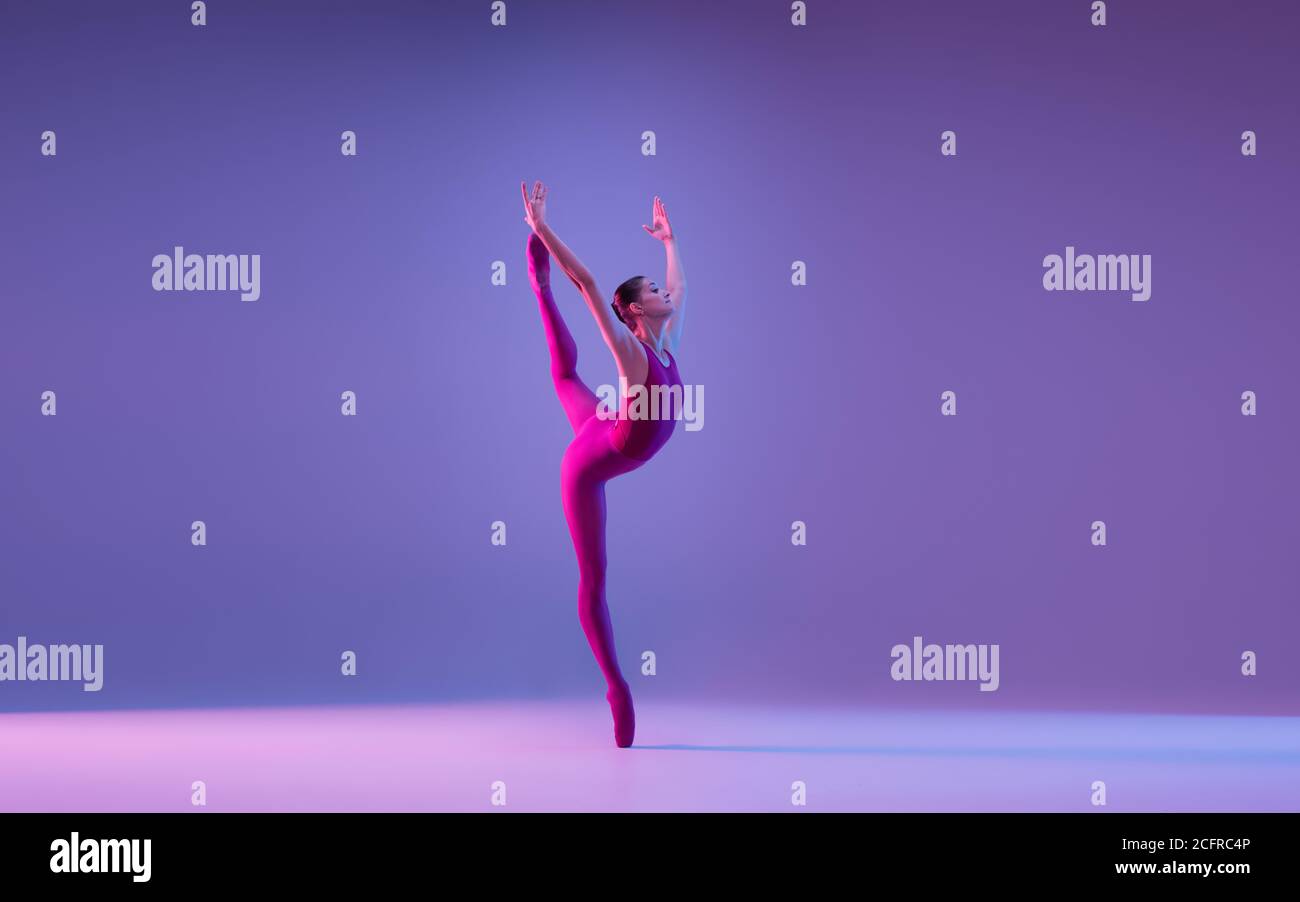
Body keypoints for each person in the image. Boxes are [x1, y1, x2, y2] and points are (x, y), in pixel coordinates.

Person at [520, 181, 687, 748]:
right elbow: (590, 285)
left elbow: (681, 287)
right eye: (654, 289)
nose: (664, 290)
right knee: (594, 579)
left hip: (606, 422)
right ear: (636, 309)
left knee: (567, 379)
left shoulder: (667, 342)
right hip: (589, 462)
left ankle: (537, 286)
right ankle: (616, 687)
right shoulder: (633, 354)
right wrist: (543, 230)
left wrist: (670, 243)